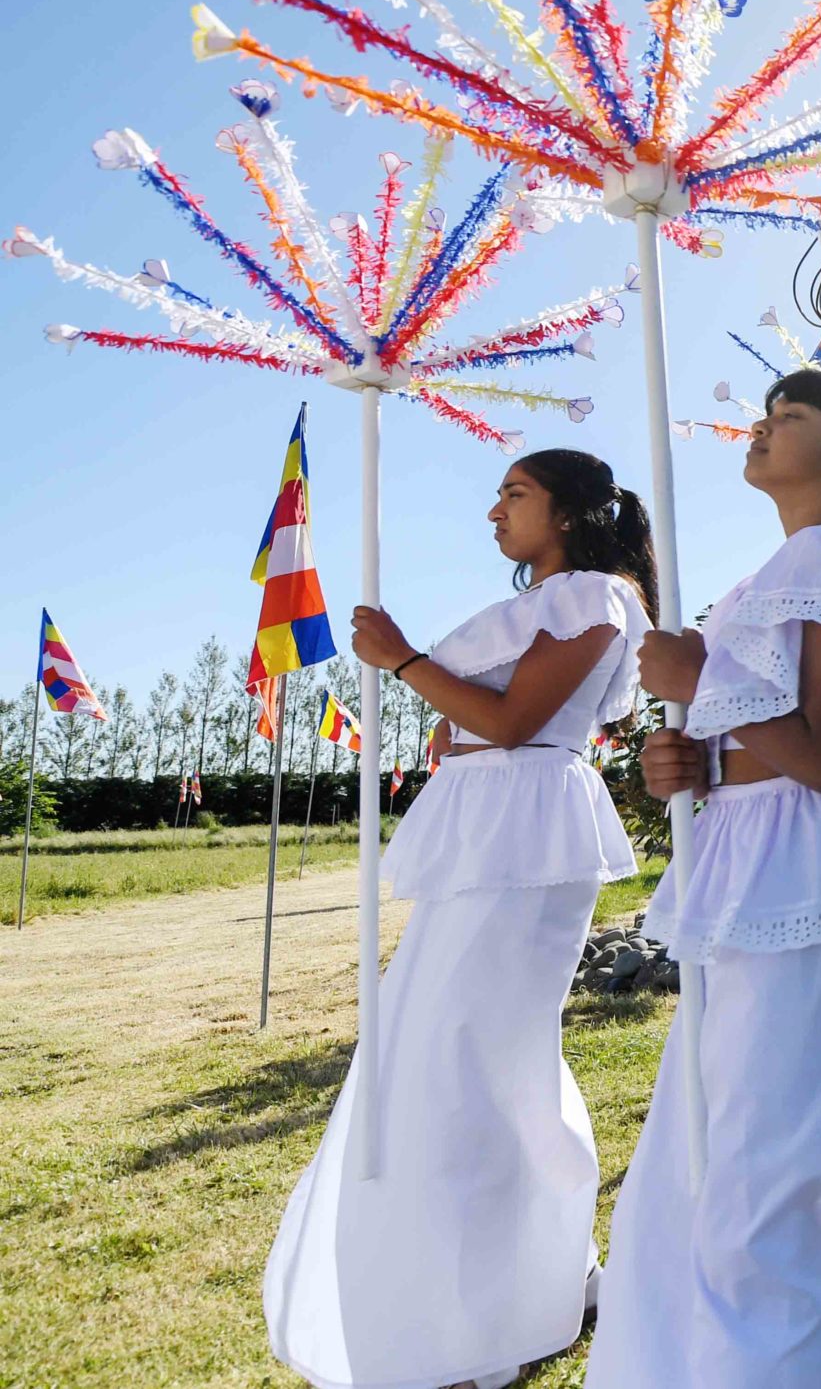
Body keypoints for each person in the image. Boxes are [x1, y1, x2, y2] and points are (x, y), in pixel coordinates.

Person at [265, 450, 655, 1389]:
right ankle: (527, 1271)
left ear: (565, 513)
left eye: (514, 494)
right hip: (490, 826)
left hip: (523, 833)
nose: (494, 511)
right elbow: (491, 716)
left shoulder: (591, 597)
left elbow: (522, 720)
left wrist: (402, 659)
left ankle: (495, 1297)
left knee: (471, 1057)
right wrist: (453, 717)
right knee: (466, 1053)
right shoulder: (555, 601)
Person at [586, 372, 821, 1388]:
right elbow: (757, 734)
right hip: (745, 857)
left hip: (804, 871)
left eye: (792, 418)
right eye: (765, 411)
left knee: (773, 1173)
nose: (763, 426)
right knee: (696, 1157)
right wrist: (688, 763)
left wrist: (701, 686)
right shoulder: (767, 575)